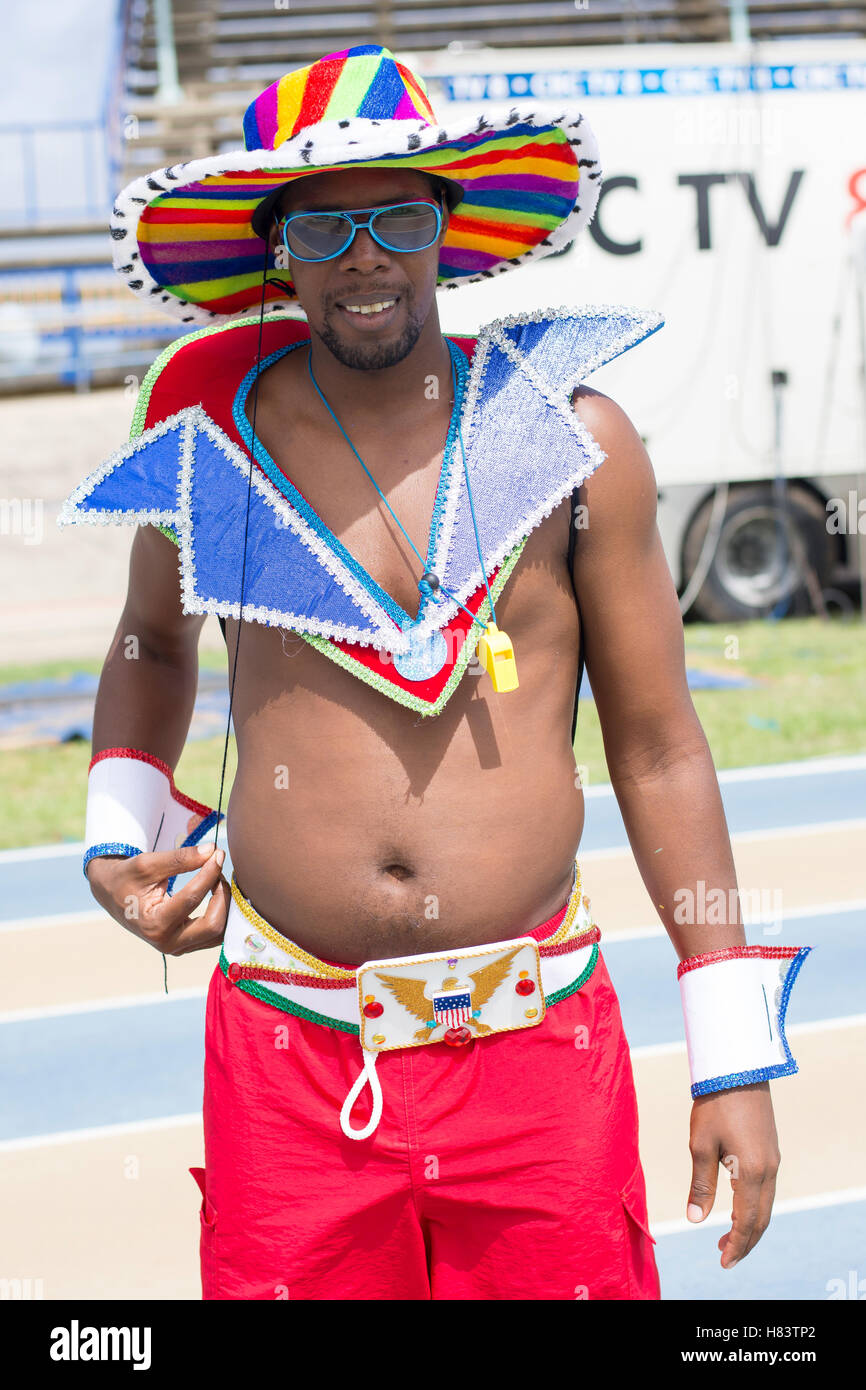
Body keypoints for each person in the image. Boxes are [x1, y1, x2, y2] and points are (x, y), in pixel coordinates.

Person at [65, 44, 810, 1300]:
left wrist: (728, 1050)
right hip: (293, 1064)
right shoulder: (209, 452)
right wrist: (109, 842)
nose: (364, 256)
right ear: (278, 253)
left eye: (395, 215)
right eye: (326, 225)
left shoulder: (568, 438)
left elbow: (660, 744)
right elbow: (148, 647)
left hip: (535, 1053)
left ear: (445, 229)